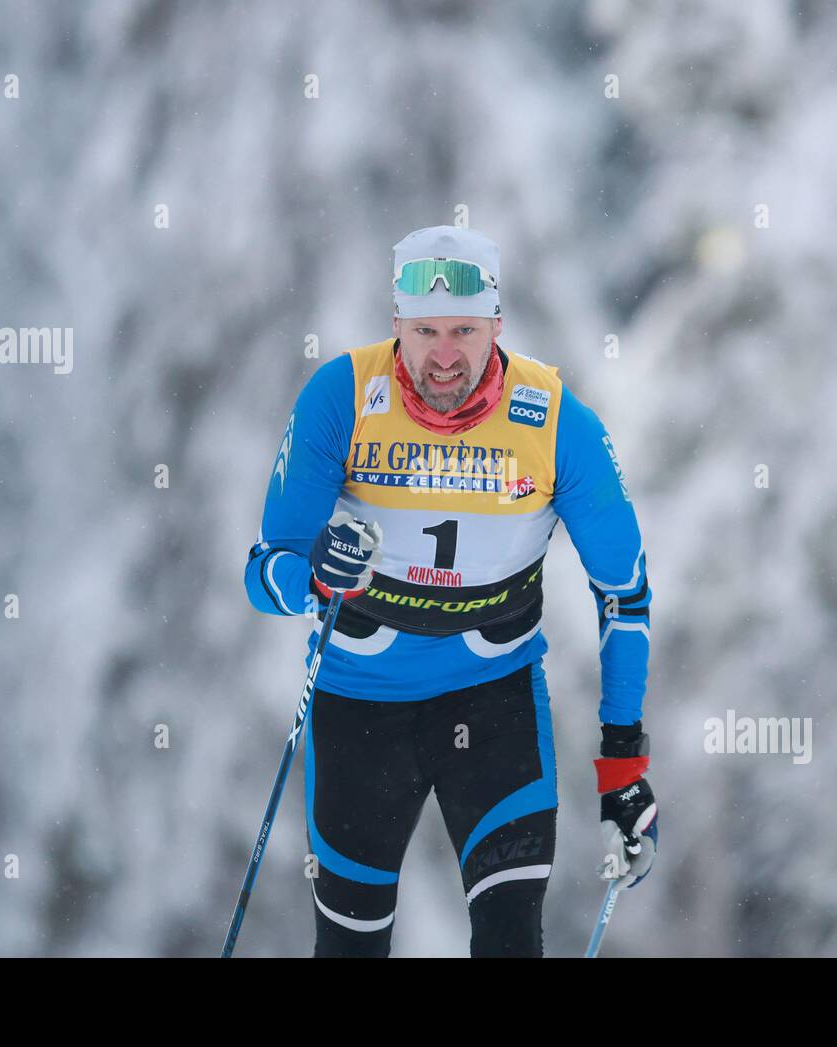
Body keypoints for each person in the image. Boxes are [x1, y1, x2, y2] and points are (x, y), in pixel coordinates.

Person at [244, 225, 656, 957]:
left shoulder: (556, 421)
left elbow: (624, 591)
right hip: (359, 708)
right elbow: (262, 571)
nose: (443, 354)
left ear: (497, 325)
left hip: (493, 705)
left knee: (509, 940)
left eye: (464, 330)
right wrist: (311, 575)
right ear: (395, 325)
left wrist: (623, 763)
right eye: (425, 329)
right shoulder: (341, 396)